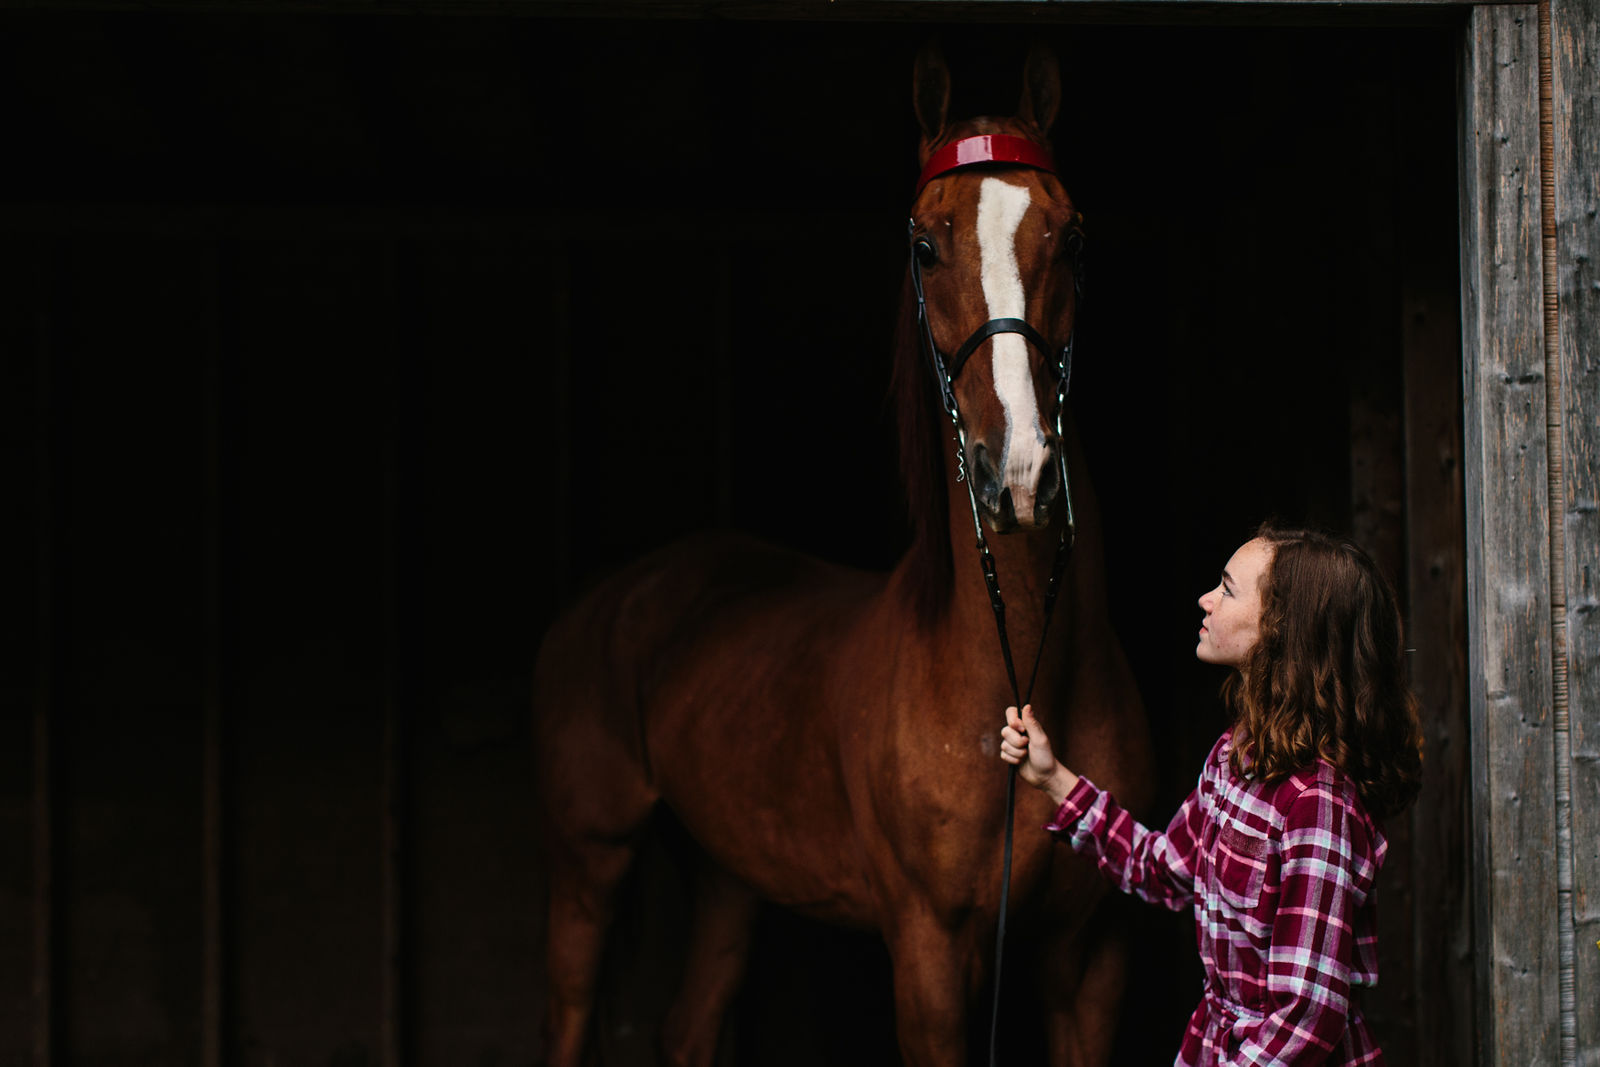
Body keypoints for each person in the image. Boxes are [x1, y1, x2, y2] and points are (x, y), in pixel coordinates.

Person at [1000, 524, 1423, 1065]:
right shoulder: (1236, 753)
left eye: (1227, 589)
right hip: (1215, 1048)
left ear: (1281, 629)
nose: (1205, 598)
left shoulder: (1318, 804)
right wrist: (1052, 777)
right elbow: (1166, 870)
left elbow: (1307, 1017)